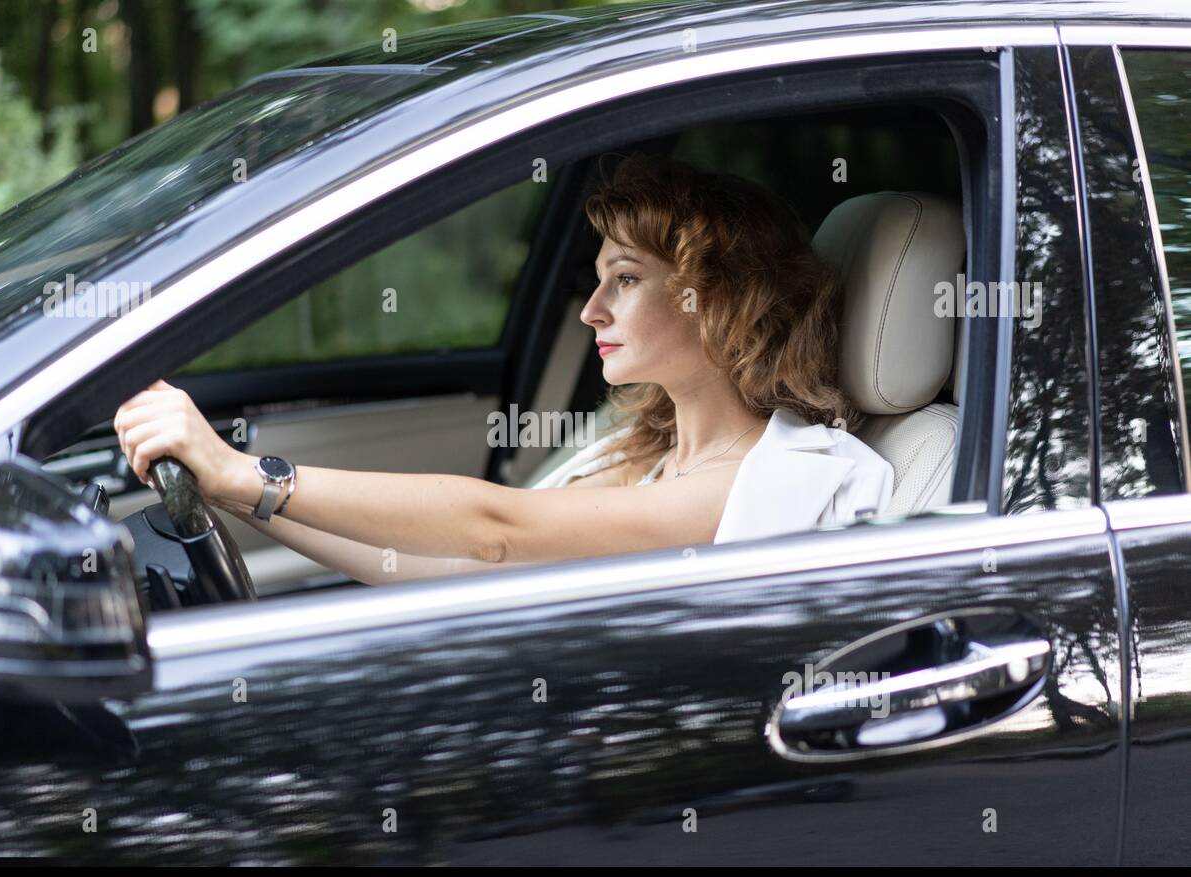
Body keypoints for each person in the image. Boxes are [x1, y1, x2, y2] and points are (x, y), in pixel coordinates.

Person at [113, 152, 892, 585]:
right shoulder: (646, 457)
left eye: (624, 279)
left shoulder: (774, 476)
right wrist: (245, 502)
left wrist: (249, 473)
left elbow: (496, 532)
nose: (591, 310)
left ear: (711, 298)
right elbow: (440, 569)